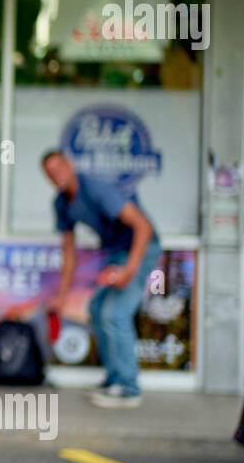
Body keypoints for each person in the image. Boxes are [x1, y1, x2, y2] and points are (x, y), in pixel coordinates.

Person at [41, 148, 162, 409]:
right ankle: (114, 380)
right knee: (97, 309)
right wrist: (61, 298)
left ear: (69, 165)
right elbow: (69, 254)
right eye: (49, 173)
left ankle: (129, 388)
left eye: (59, 168)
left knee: (115, 313)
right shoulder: (62, 204)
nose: (56, 175)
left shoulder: (95, 189)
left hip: (141, 249)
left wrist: (129, 272)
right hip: (118, 252)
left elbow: (143, 226)